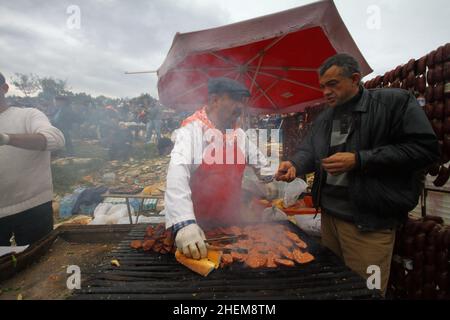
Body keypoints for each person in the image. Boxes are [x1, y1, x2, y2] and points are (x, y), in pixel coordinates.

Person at [275, 54, 440, 295]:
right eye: (322, 86)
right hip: (330, 219)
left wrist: (360, 160)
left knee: (365, 290)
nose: (326, 92)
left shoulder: (394, 103)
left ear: (355, 79)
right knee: (336, 286)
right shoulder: (325, 119)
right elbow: (309, 151)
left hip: (369, 224)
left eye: (333, 84)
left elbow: (424, 149)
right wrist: (294, 164)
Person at [163, 77, 268, 260]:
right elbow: (177, 173)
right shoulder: (192, 131)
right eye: (235, 99)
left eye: (243, 102)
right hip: (197, 228)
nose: (240, 107)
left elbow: (262, 162)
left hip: (231, 221)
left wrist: (276, 173)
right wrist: (184, 222)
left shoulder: (239, 135)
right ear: (214, 100)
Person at [0, 72, 65, 245]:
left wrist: (6, 138)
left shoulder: (28, 115)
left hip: (33, 206)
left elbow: (56, 138)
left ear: (4, 88)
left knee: (38, 264)